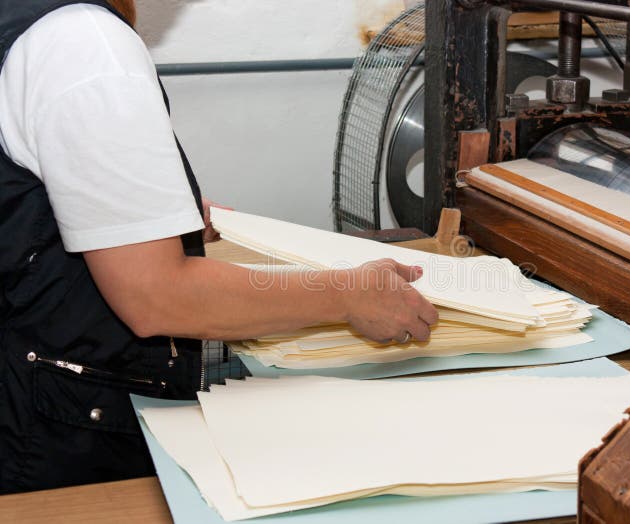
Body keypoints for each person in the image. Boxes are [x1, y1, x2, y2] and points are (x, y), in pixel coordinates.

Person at [0, 0, 438, 494]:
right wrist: (346, 294)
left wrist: (139, 218)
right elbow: (158, 297)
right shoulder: (84, 42)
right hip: (53, 433)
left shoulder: (26, 19)